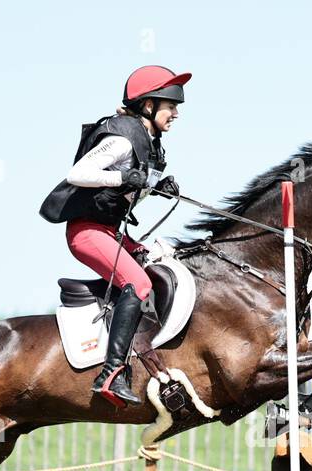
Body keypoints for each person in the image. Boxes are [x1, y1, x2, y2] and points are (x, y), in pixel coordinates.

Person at [40, 65, 189, 406]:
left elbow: (130, 184)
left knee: (161, 263)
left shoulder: (151, 144)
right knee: (139, 284)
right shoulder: (123, 137)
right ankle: (111, 373)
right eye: (171, 105)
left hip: (110, 232)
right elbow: (79, 173)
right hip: (88, 232)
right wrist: (127, 180)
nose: (176, 114)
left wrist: (154, 186)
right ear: (147, 106)